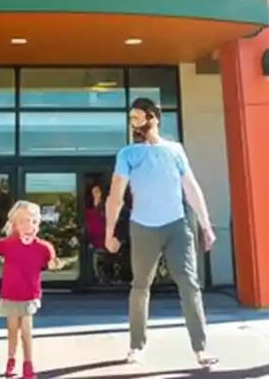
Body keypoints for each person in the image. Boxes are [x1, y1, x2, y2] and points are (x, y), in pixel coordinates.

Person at [105, 97, 218, 368]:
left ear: (152, 118)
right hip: (143, 226)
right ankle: (136, 346)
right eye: (130, 118)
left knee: (190, 285)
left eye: (137, 117)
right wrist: (109, 232)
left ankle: (200, 349)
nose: (133, 123)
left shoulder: (175, 150)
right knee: (140, 286)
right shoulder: (127, 154)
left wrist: (206, 225)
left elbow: (191, 188)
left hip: (177, 226)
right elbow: (116, 195)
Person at [0, 201, 64, 378]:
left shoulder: (44, 247)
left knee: (26, 329)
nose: (29, 226)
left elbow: (53, 262)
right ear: (15, 225)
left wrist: (55, 264)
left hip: (30, 295)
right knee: (12, 330)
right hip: (10, 294)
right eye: (24, 221)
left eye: (33, 221)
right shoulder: (8, 243)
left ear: (38, 224)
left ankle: (28, 364)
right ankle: (11, 359)